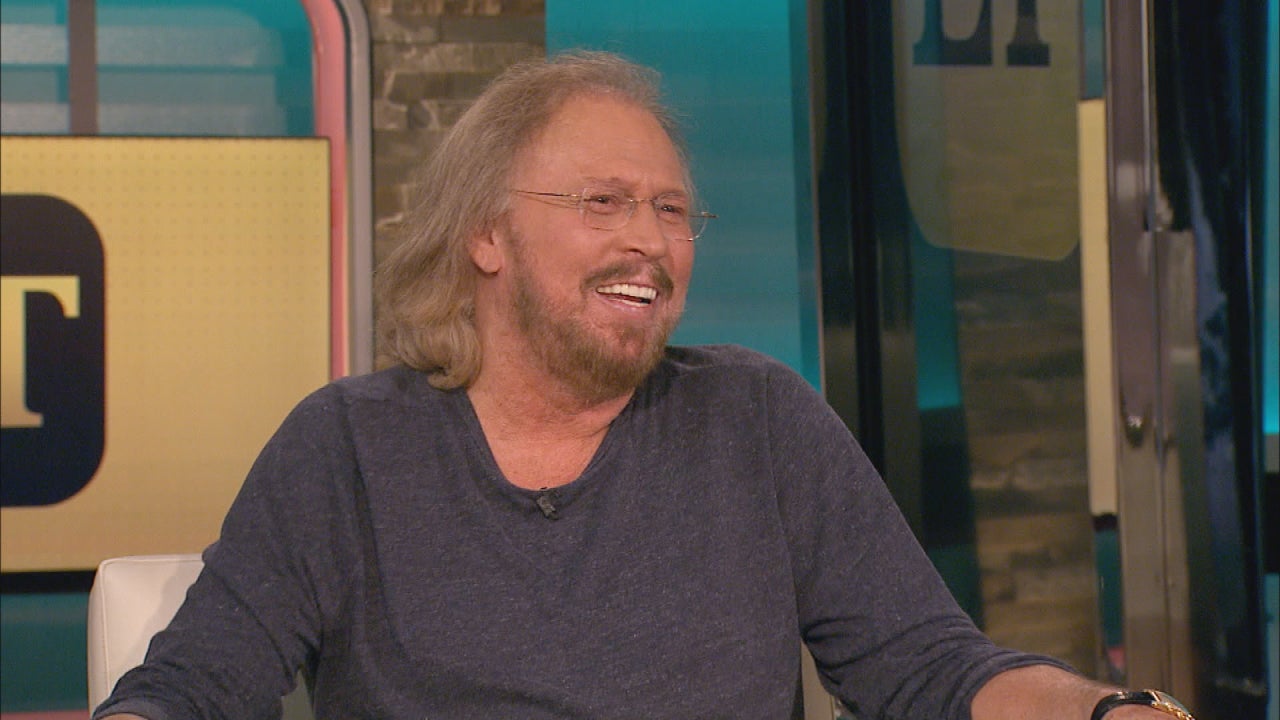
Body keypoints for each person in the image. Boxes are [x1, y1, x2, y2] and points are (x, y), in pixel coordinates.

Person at [94, 51, 1193, 720]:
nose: (650, 243)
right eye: (603, 203)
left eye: (671, 211)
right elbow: (193, 689)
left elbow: (927, 667)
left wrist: (1104, 710)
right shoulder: (347, 447)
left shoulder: (756, 419)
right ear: (485, 234)